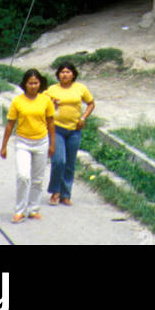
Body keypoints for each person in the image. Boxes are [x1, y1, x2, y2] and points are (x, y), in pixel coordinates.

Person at [0, 69, 55, 223]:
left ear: (40, 84)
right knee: (23, 176)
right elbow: (10, 125)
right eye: (30, 83)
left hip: (42, 142)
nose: (33, 86)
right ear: (25, 84)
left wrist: (52, 144)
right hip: (23, 142)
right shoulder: (17, 101)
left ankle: (33, 209)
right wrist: (3, 146)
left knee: (37, 179)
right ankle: (19, 211)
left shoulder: (46, 100)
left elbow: (51, 123)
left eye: (36, 83)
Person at [46, 60, 95, 206]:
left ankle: (65, 194)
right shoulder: (52, 90)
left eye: (68, 72)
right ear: (58, 75)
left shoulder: (80, 88)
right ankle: (55, 191)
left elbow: (91, 103)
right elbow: (42, 105)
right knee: (58, 160)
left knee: (70, 163)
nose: (65, 74)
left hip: (74, 130)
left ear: (73, 74)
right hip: (57, 129)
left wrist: (83, 118)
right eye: (62, 72)